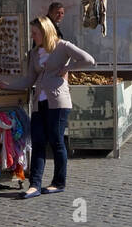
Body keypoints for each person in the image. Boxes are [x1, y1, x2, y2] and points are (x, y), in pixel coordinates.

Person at [10, 18, 95, 198]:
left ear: (45, 31)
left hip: (58, 102)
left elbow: (89, 59)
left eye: (35, 33)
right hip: (39, 103)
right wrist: (6, 85)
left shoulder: (62, 46)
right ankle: (35, 184)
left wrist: (67, 67)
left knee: (56, 141)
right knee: (38, 142)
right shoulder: (34, 53)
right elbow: (29, 80)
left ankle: (58, 182)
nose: (32, 36)